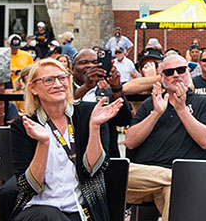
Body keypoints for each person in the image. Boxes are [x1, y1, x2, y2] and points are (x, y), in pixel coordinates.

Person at [7, 58, 124, 221]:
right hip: (39, 211)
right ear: (33, 88)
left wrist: (95, 127)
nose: (58, 84)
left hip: (81, 209)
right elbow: (30, 187)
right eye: (48, 80)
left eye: (62, 78)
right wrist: (44, 143)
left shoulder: (90, 114)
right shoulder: (25, 125)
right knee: (48, 215)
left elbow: (94, 169)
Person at [123, 54, 206, 220]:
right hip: (145, 175)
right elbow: (130, 142)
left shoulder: (203, 103)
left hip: (183, 175)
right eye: (169, 72)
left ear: (188, 72)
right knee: (115, 171)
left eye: (180, 70)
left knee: (174, 188)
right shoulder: (151, 103)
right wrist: (156, 113)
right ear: (162, 77)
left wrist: (182, 110)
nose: (175, 74)